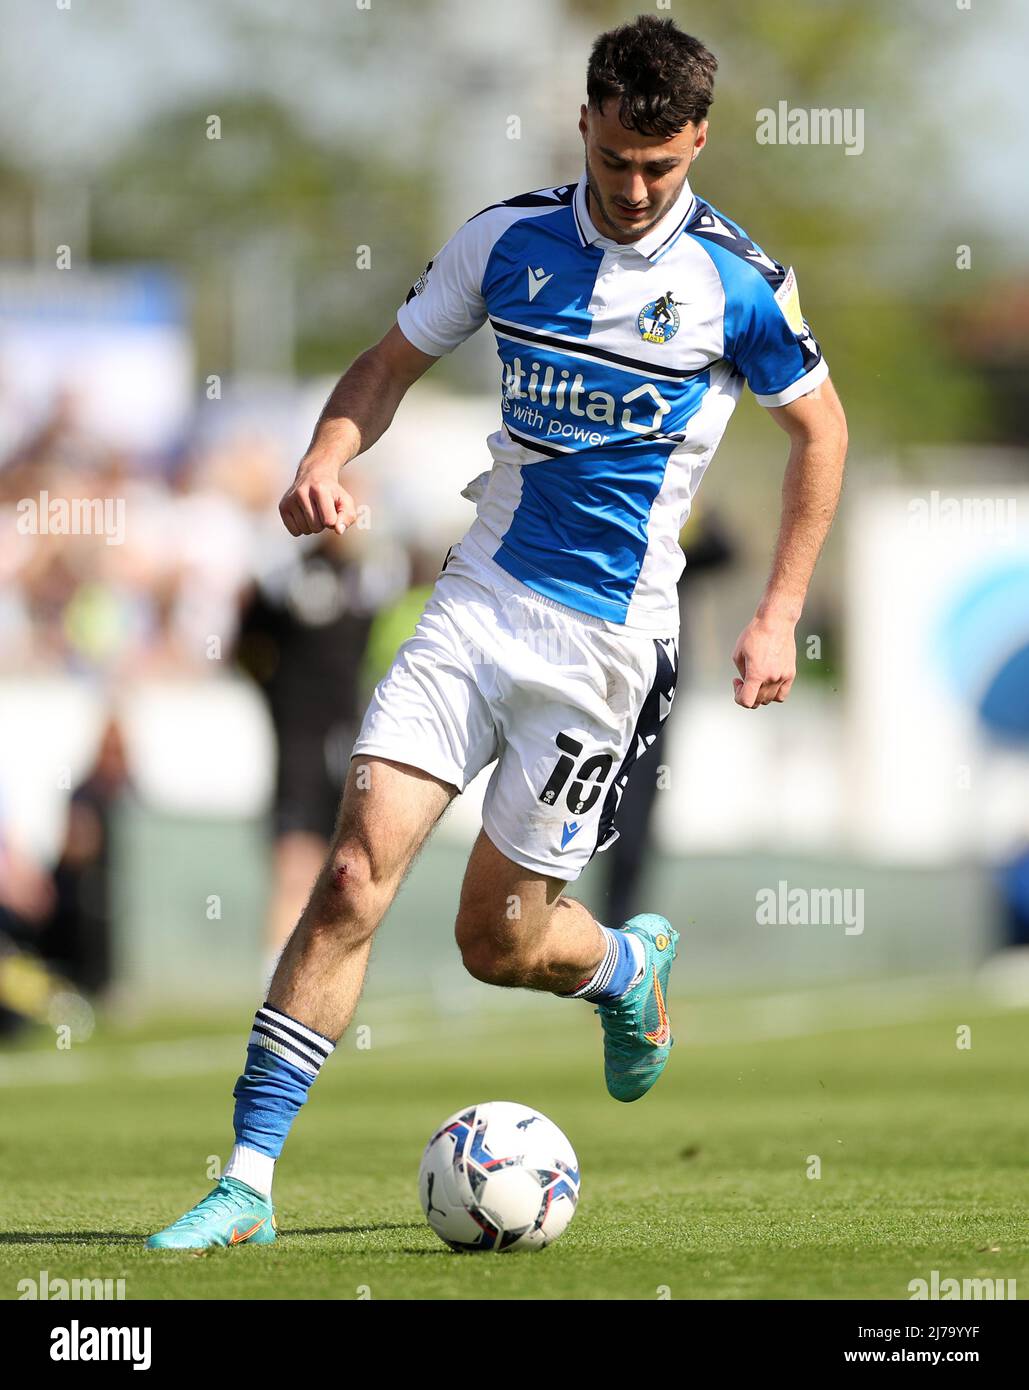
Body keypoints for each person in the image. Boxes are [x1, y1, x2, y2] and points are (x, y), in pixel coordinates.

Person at [148, 15, 847, 1249]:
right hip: (475, 604)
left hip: (607, 647)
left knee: (496, 940)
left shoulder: (738, 283)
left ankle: (626, 971)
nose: (635, 191)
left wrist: (780, 612)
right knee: (356, 869)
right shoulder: (505, 238)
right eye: (619, 159)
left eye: (663, 167)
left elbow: (820, 435)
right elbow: (386, 362)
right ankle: (246, 1181)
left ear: (698, 145)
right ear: (584, 121)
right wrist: (323, 452)